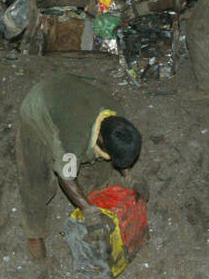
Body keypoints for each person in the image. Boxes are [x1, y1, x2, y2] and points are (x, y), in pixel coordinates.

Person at [16, 74, 146, 261]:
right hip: (39, 110)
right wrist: (89, 213)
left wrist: (129, 177)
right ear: (101, 139)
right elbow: (66, 177)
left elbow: (118, 152)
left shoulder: (118, 117)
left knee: (102, 170)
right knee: (35, 178)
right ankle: (34, 233)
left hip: (68, 97)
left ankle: (95, 195)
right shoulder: (74, 138)